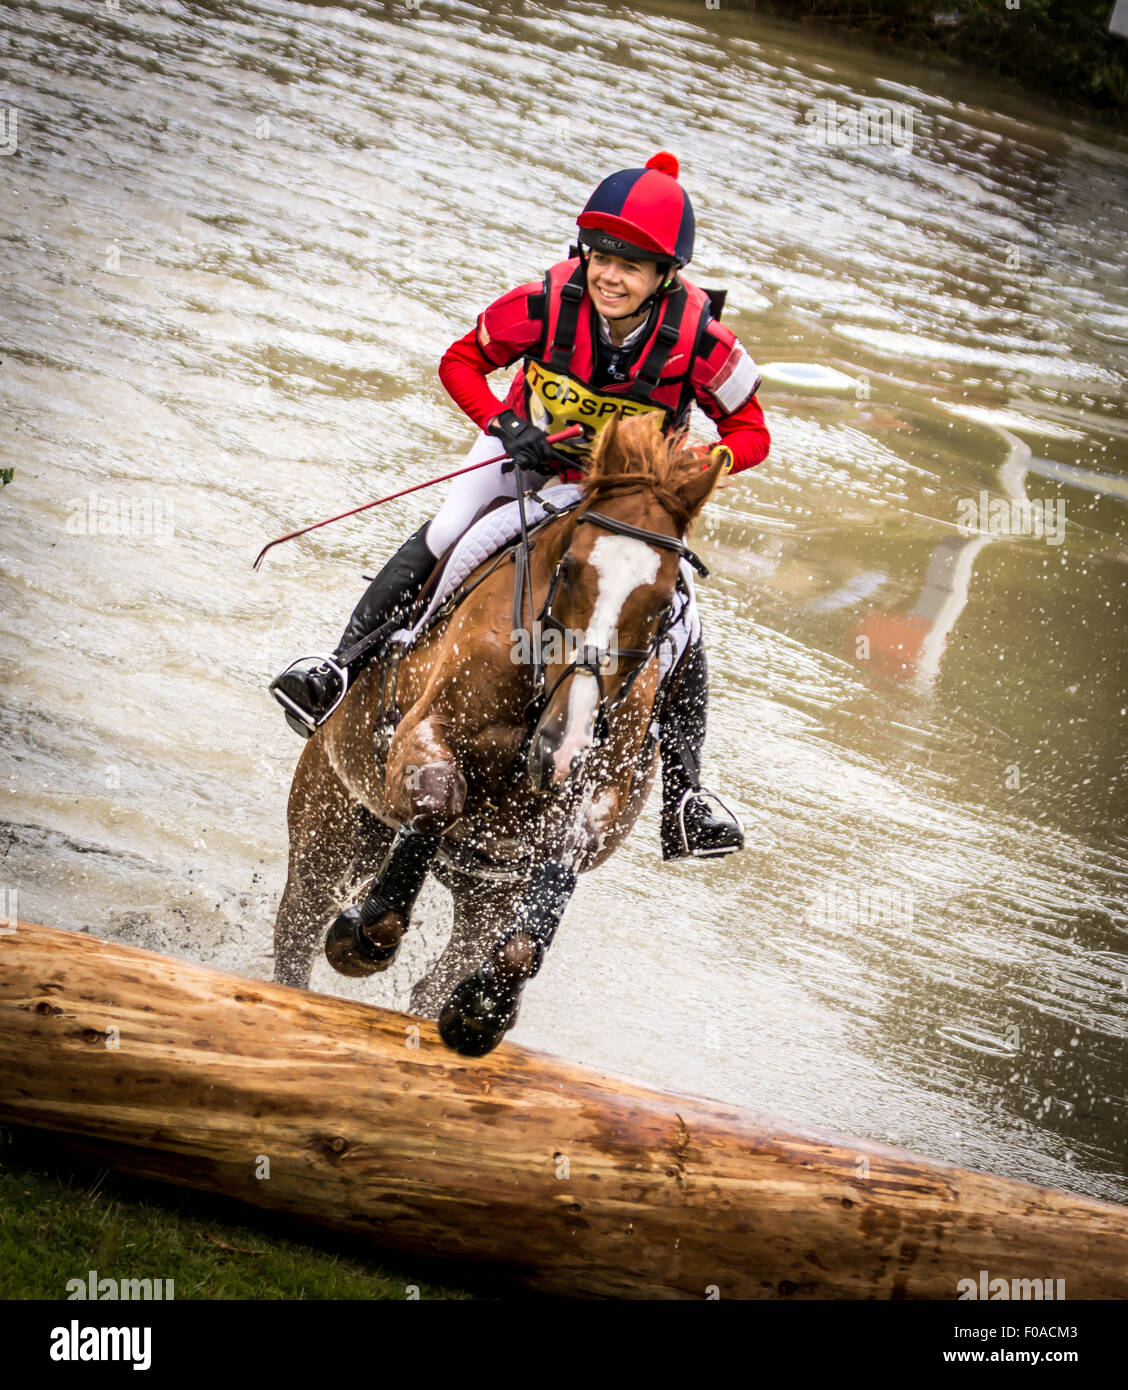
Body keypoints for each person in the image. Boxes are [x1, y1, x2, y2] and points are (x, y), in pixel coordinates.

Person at [271, 152, 770, 860]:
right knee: (450, 530)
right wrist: (507, 427)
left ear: (667, 277)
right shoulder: (539, 303)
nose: (610, 274)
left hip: (622, 501)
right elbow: (459, 360)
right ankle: (338, 668)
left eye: (631, 264)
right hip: (527, 463)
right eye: (600, 255)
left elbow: (754, 433)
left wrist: (691, 466)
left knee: (682, 608)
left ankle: (688, 796)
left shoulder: (706, 344)